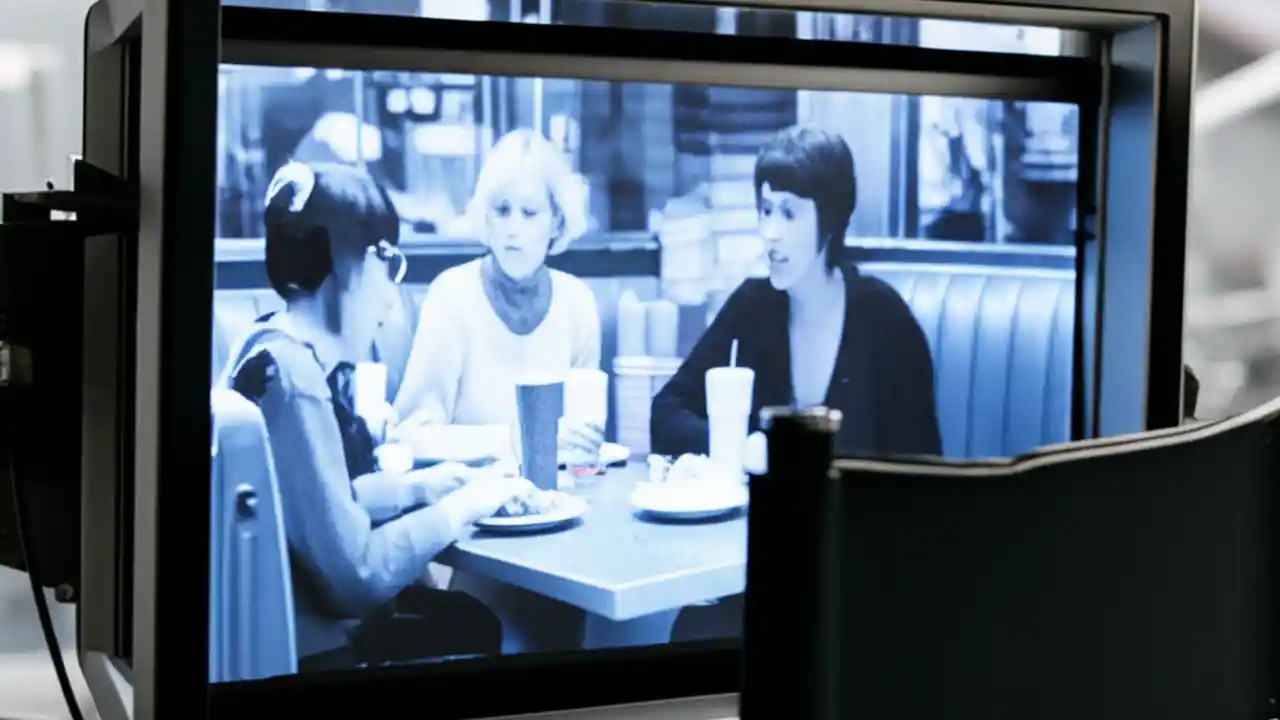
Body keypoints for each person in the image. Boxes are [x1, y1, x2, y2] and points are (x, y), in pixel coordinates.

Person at [218, 161, 532, 671]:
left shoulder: (261, 345)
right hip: (322, 655)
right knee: (472, 624)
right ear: (357, 265)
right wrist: (468, 505)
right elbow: (358, 574)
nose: (391, 301)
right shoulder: (296, 382)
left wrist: (416, 490)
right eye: (391, 267)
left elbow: (313, 510)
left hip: (283, 635)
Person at [651, 126, 942, 463]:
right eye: (766, 210)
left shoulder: (885, 320)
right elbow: (666, 412)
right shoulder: (753, 306)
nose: (770, 233)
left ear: (831, 218)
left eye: (789, 213)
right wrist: (738, 447)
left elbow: (922, 471)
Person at [393, 128, 604, 461]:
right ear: (485, 219)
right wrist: (518, 440)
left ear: (557, 222)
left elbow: (581, 441)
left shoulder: (577, 302)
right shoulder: (452, 296)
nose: (512, 227)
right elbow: (411, 436)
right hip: (466, 500)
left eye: (530, 212)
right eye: (502, 210)